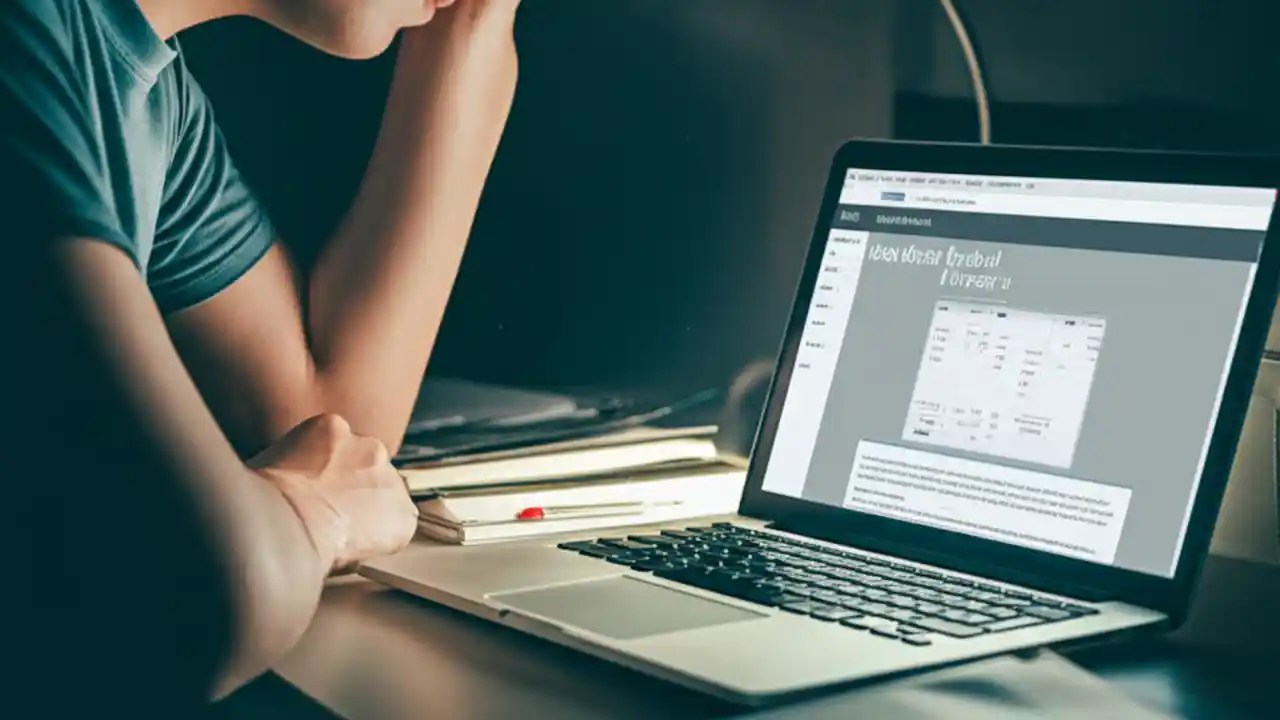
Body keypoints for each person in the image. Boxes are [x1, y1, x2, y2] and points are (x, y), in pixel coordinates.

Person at [4, 0, 520, 714]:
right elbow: (204, 595)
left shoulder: (149, 95)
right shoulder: (26, 41)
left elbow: (331, 430)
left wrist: (469, 30)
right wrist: (312, 513)